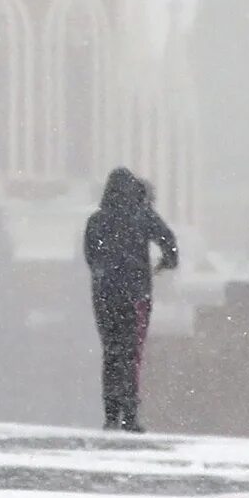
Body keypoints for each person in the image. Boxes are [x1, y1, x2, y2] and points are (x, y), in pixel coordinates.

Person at [80, 168, 178, 430]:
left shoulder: (96, 221)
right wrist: (167, 261)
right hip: (136, 295)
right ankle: (130, 416)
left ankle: (111, 415)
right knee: (132, 353)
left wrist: (105, 276)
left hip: (104, 297)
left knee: (111, 353)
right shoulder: (142, 215)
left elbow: (90, 256)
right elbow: (168, 239)